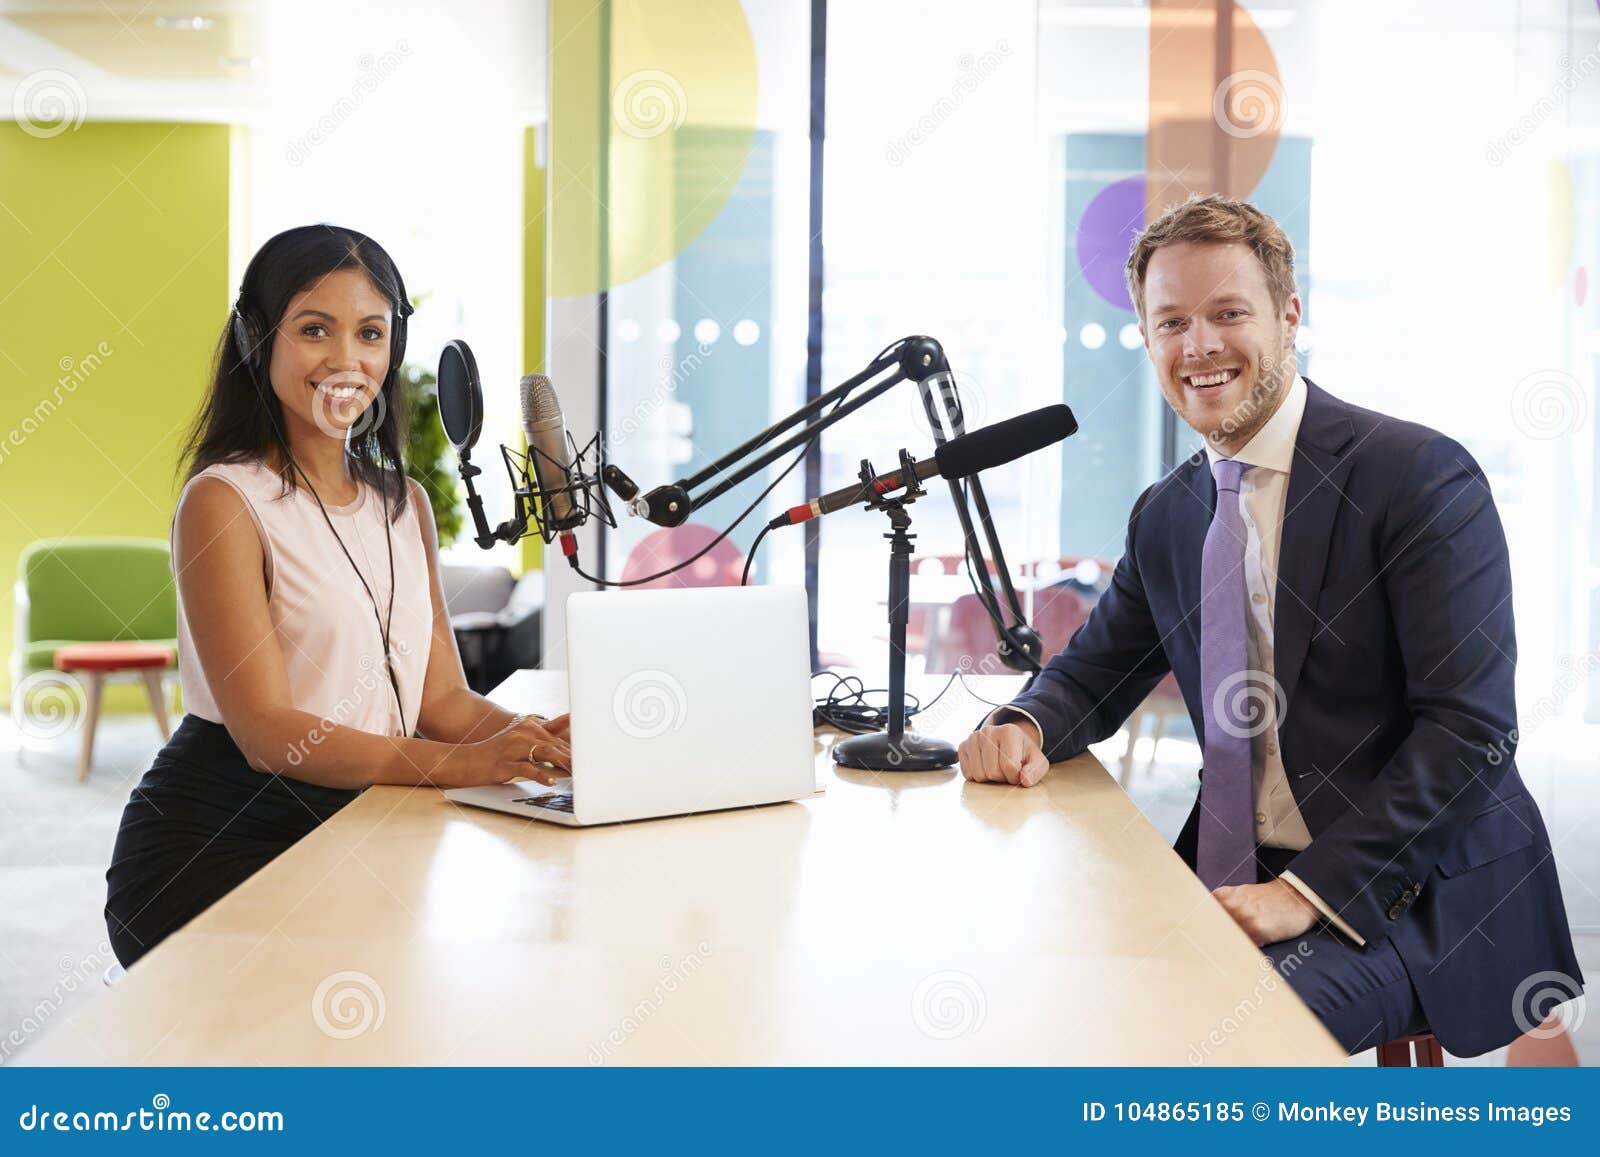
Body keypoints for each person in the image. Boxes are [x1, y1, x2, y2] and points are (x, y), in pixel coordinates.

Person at [958, 194, 1582, 1057]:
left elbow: (1471, 730)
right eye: (1171, 321)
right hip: (1236, 866)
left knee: (1209, 1045)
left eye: (1228, 313)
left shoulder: (1417, 477)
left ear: (1289, 317)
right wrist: (1023, 719)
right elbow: (1097, 671)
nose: (1199, 345)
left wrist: (1308, 892)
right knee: (1051, 995)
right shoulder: (1170, 513)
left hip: (1415, 886)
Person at [104, 225, 570, 968]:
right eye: (315, 329)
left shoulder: (405, 503)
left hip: (367, 813)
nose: (347, 360)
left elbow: (441, 701)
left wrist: (538, 741)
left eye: (371, 333)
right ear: (259, 339)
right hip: (220, 839)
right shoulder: (223, 500)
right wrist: (464, 764)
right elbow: (268, 732)